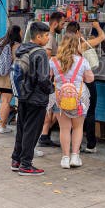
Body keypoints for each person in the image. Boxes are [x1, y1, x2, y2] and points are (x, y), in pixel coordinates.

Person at [11, 21, 54, 176]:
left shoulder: (21, 49)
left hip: (23, 95)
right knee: (32, 131)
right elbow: (43, 79)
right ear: (38, 36)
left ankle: (16, 160)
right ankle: (26, 165)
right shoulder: (40, 53)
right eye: (47, 35)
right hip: (36, 98)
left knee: (22, 128)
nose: (48, 38)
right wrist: (51, 89)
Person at [49, 35, 95, 169]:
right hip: (79, 98)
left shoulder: (53, 61)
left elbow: (48, 77)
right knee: (77, 127)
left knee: (64, 128)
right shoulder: (83, 61)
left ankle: (65, 158)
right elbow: (90, 79)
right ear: (77, 45)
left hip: (59, 98)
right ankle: (75, 156)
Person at [65, 21, 105, 153]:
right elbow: (103, 37)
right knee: (90, 113)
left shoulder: (64, 47)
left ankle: (73, 143)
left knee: (72, 113)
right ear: (77, 33)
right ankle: (91, 145)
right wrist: (97, 27)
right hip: (86, 83)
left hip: (71, 84)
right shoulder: (82, 46)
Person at [38, 11, 66, 147]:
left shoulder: (49, 36)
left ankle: (45, 135)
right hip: (49, 78)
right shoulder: (50, 37)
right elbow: (47, 55)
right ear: (55, 24)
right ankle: (44, 136)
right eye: (62, 23)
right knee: (51, 108)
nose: (63, 26)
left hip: (48, 77)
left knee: (51, 107)